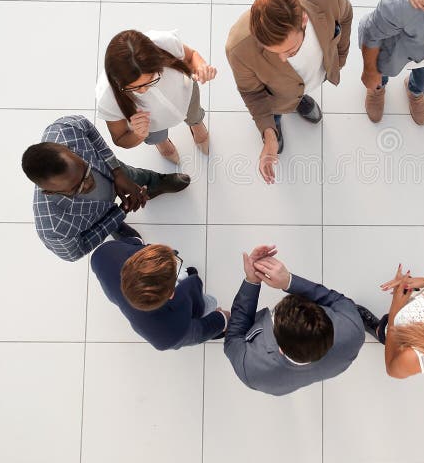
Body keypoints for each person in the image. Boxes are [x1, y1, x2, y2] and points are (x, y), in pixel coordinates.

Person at [226, 0, 353, 184]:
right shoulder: (238, 49)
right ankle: (276, 124)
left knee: (299, 89)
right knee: (276, 111)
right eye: (275, 53)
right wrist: (268, 134)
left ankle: (299, 99)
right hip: (276, 96)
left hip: (312, 76)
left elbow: (346, 16)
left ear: (303, 20)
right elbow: (252, 93)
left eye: (291, 51)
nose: (283, 60)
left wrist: (340, 56)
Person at [22, 115, 190, 262]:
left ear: (69, 149)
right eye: (76, 187)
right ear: (50, 192)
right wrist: (119, 213)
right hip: (99, 217)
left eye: (85, 170)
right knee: (109, 223)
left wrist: (117, 172)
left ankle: (155, 183)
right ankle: (117, 226)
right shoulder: (53, 229)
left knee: (134, 175)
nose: (89, 183)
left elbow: (88, 128)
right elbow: (76, 251)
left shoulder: (64, 129)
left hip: (113, 171)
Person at [223, 245, 365, 396]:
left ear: (280, 349)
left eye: (273, 316)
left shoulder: (251, 370)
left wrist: (252, 281)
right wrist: (288, 281)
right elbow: (335, 300)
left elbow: (233, 338)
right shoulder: (353, 330)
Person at [97, 29, 217, 163]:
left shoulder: (163, 43)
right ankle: (162, 143)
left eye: (151, 80)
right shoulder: (107, 97)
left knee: (194, 114)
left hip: (184, 94)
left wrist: (201, 67)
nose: (143, 91)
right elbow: (119, 139)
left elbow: (191, 56)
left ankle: (197, 127)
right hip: (152, 124)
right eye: (133, 87)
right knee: (156, 136)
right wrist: (138, 135)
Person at [90, 238, 229, 350]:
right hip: (180, 320)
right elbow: (198, 332)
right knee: (210, 303)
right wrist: (222, 319)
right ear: (171, 294)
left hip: (119, 294)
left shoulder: (103, 254)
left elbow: (135, 241)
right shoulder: (167, 334)